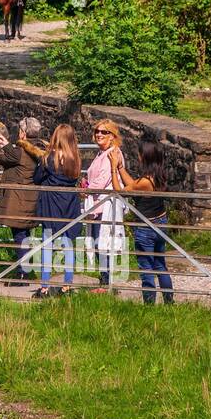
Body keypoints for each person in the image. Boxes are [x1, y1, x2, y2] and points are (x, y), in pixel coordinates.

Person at [111, 140, 174, 304]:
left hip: (146, 228)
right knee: (160, 265)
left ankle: (149, 304)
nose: (138, 157)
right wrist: (120, 168)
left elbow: (120, 191)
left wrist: (112, 168)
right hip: (160, 222)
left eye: (140, 154)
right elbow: (133, 185)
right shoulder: (157, 177)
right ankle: (169, 301)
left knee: (147, 268)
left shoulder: (145, 181)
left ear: (145, 157)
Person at [22, 123, 82, 298]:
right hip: (70, 204)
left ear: (56, 137)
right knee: (68, 245)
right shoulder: (75, 159)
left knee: (47, 245)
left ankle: (45, 287)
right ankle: (67, 286)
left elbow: (37, 178)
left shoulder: (48, 158)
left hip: (51, 204)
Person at [0, 117, 43, 285]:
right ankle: (25, 271)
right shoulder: (39, 148)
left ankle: (22, 274)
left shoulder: (20, 151)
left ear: (22, 133)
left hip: (18, 200)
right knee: (25, 235)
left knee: (20, 236)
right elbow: (13, 155)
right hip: (31, 199)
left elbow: (0, 158)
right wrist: (6, 143)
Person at [82, 119, 126, 291]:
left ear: (113, 136)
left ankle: (106, 283)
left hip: (105, 205)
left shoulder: (112, 154)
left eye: (104, 132)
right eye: (97, 131)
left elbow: (102, 180)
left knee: (104, 243)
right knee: (100, 243)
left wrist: (86, 190)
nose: (99, 134)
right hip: (98, 203)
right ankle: (104, 281)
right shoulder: (102, 153)